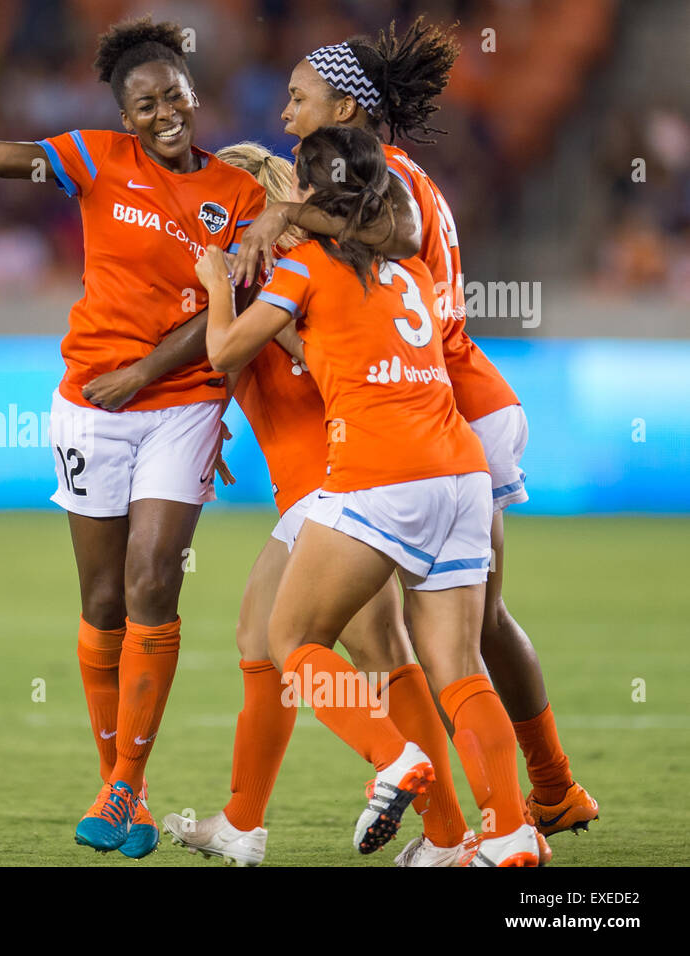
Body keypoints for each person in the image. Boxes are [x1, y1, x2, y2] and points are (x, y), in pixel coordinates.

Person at [0, 16, 266, 857]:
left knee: (152, 584)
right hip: (87, 406)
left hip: (181, 402)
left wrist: (145, 372)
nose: (163, 112)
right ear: (126, 113)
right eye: (144, 103)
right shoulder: (93, 158)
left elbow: (237, 306)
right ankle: (120, 790)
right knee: (102, 603)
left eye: (172, 95)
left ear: (193, 94)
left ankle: (123, 787)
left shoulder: (239, 194)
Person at [232, 18, 596, 847]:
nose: (285, 117)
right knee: (469, 634)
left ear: (348, 108)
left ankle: (461, 806)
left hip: (444, 411)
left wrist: (279, 221)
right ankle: (538, 797)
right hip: (457, 408)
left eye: (299, 99)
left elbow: (389, 244)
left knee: (407, 642)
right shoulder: (399, 175)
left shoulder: (379, 185)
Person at [197, 124, 541, 866]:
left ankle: (401, 773)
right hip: (458, 471)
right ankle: (504, 831)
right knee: (446, 662)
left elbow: (225, 348)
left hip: (368, 479)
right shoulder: (404, 262)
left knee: (297, 642)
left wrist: (220, 285)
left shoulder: (296, 270)